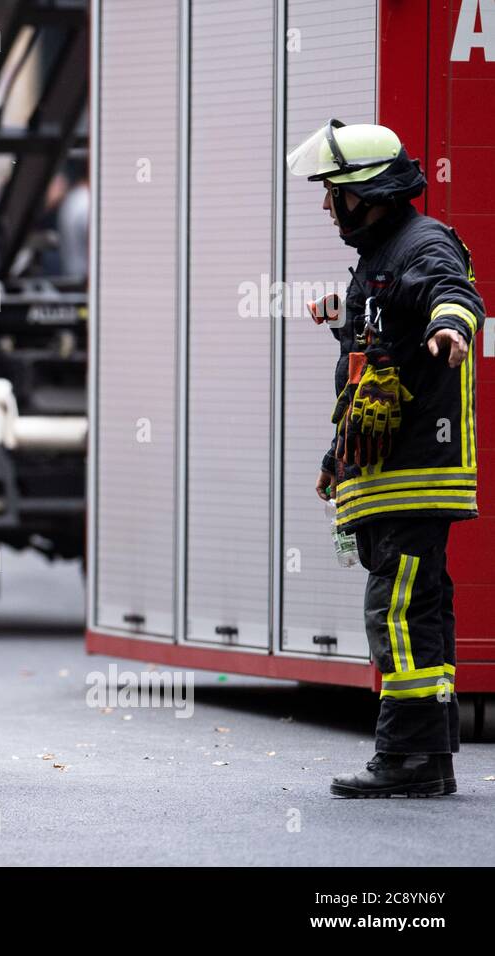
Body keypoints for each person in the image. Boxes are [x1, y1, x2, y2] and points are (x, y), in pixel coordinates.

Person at [288, 120, 483, 797]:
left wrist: (451, 326)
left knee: (396, 610)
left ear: (366, 193)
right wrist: (334, 455)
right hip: (384, 472)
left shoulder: (420, 243)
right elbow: (368, 375)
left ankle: (407, 758)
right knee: (415, 608)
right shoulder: (377, 259)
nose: (326, 206)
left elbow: (452, 292)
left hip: (416, 471)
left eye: (333, 192)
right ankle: (427, 756)